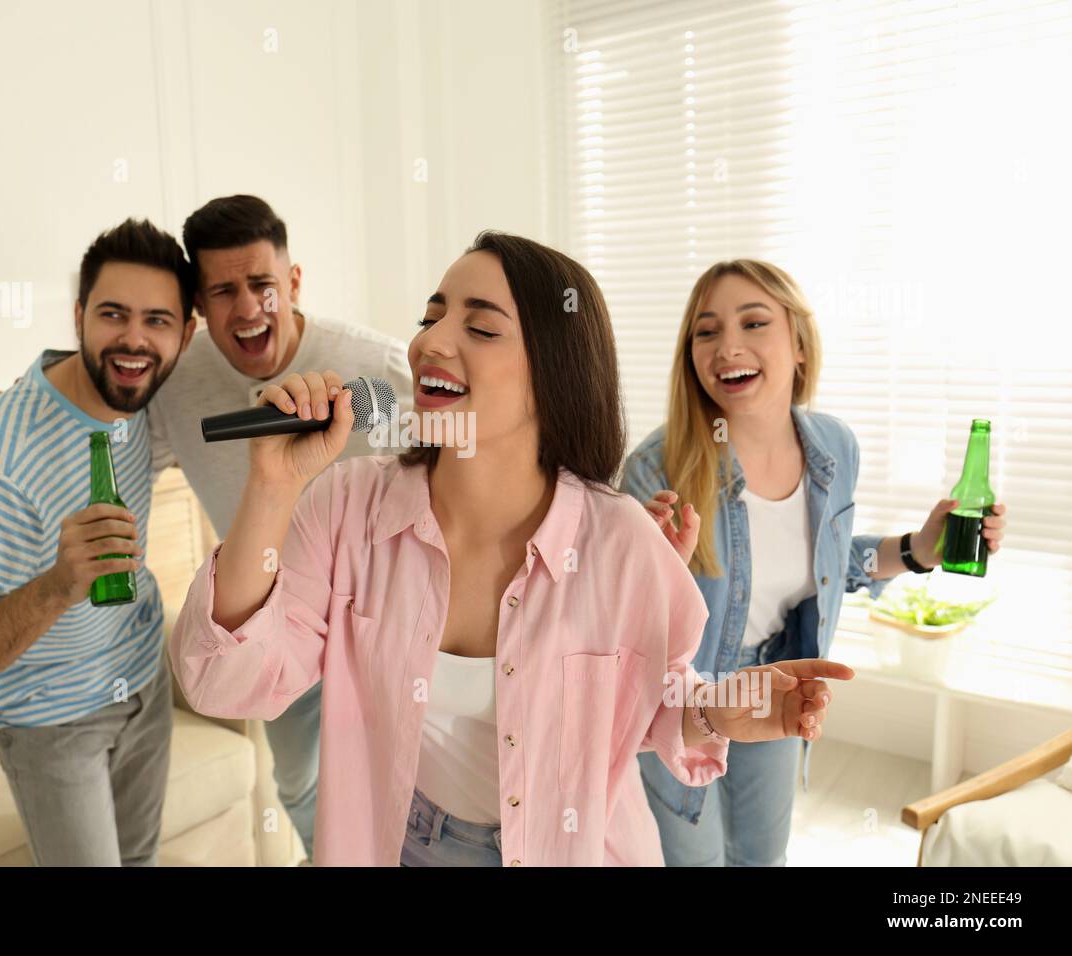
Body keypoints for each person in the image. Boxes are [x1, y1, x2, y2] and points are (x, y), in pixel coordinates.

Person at [170, 232, 853, 866]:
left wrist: (720, 710)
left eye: (480, 326)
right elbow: (225, 680)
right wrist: (272, 484)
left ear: (552, 373)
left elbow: (648, 705)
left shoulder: (619, 540)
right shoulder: (349, 507)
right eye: (431, 316)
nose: (430, 341)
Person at [622, 259, 1009, 866]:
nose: (728, 347)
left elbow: (827, 564)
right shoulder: (658, 468)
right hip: (680, 698)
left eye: (753, 323)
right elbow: (618, 619)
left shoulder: (833, 447)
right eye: (706, 331)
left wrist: (919, 548)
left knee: (761, 856)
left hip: (776, 678)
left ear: (798, 345)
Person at [0, 219, 196, 866]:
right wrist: (57, 586)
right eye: (112, 314)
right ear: (78, 316)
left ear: (185, 332)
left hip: (144, 681)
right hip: (51, 717)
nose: (133, 338)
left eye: (157, 320)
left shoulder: (151, 395)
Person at [147, 195, 413, 859]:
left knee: (405, 795)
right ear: (200, 309)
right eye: (223, 291)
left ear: (293, 282)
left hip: (383, 626)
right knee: (299, 785)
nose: (248, 308)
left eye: (263, 284)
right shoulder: (176, 389)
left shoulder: (377, 369)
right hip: (273, 625)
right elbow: (105, 434)